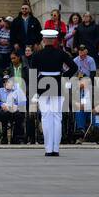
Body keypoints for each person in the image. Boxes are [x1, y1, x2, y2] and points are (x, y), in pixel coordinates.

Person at [30, 28, 75, 156]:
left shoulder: (37, 54)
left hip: (42, 86)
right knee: (57, 117)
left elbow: (33, 74)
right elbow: (74, 67)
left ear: (44, 40)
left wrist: (34, 92)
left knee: (46, 117)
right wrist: (63, 77)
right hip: (58, 85)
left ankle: (48, 148)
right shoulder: (61, 53)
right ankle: (55, 149)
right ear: (54, 40)